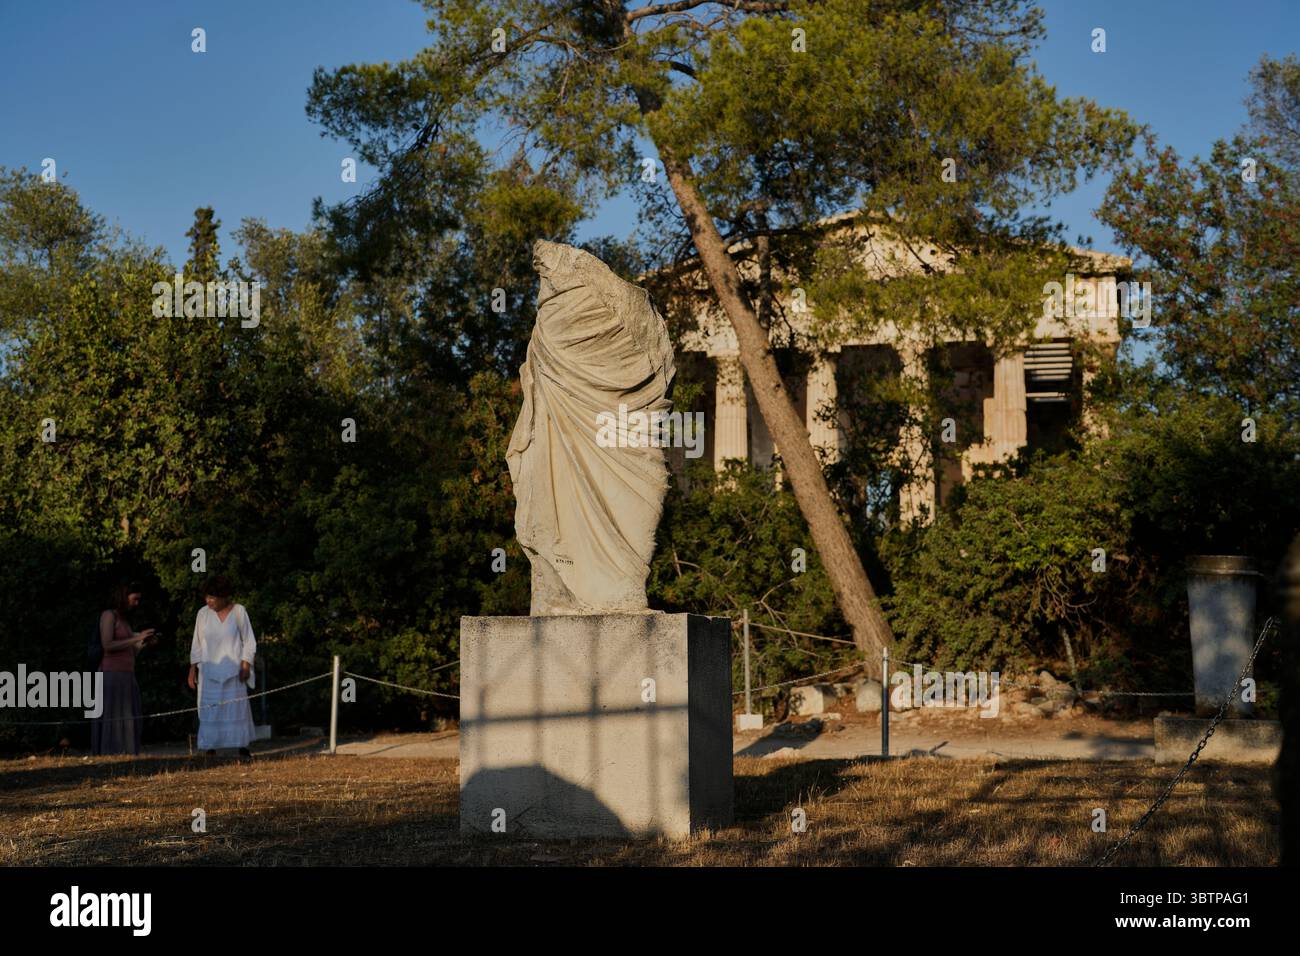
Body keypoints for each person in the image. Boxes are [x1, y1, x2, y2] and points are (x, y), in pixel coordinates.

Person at [189, 575, 257, 759]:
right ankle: (210, 749)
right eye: (207, 597)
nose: (208, 601)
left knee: (236, 708)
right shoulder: (203, 614)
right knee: (210, 710)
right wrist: (192, 669)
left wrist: (246, 663)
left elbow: (249, 640)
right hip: (209, 671)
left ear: (224, 596)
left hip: (234, 671)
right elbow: (197, 643)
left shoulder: (239, 611)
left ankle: (242, 748)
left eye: (212, 597)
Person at [92, 582, 156, 756]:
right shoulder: (108, 615)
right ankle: (108, 751)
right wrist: (136, 638)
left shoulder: (124, 620)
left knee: (129, 716)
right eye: (134, 599)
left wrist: (142, 642)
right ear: (124, 596)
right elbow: (108, 644)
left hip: (127, 673)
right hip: (111, 674)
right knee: (112, 715)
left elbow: (131, 651)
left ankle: (126, 751)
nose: (136, 603)